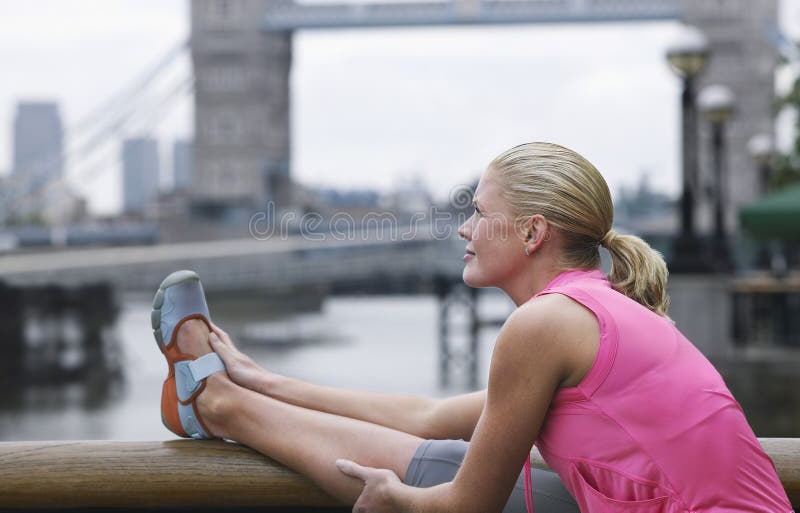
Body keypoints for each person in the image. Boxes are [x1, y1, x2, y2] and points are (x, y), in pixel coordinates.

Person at [152, 142, 792, 513]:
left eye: (479, 213)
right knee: (461, 455)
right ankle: (233, 397)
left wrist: (393, 498)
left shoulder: (544, 325)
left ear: (533, 232)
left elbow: (465, 507)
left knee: (434, 474)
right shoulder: (599, 308)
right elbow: (430, 415)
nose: (462, 229)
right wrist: (268, 378)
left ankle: (217, 406)